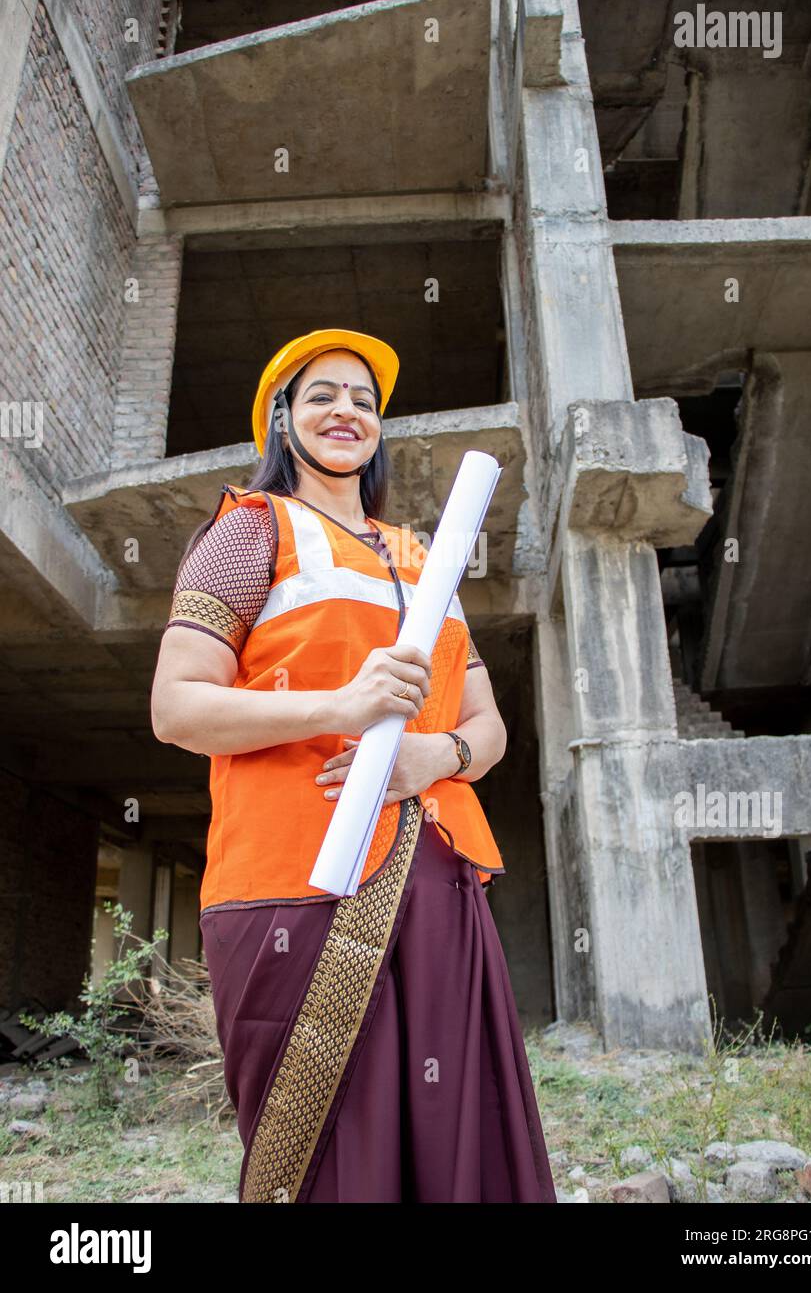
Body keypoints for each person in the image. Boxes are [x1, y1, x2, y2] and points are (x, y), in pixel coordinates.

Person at [150, 328, 557, 1203]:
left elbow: (487, 726)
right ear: (281, 420)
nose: (347, 412)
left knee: (457, 1142)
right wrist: (343, 708)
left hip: (439, 879)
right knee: (332, 1155)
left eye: (365, 402)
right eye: (323, 395)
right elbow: (177, 709)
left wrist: (430, 756)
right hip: (295, 886)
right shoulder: (248, 532)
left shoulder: (422, 558)